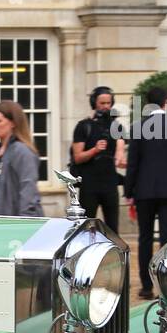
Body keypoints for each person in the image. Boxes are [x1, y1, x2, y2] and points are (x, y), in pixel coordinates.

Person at [125, 85, 167, 300]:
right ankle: (165, 285)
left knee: (144, 238)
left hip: (144, 190)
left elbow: (132, 164)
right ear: (166, 102)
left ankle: (146, 286)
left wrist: (129, 191)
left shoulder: (138, 127)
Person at [71, 86, 126, 232]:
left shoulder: (117, 127)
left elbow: (120, 151)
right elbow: (77, 157)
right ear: (94, 103)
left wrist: (121, 160)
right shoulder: (84, 126)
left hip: (110, 184)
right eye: (102, 103)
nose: (106, 107)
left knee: (113, 228)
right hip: (89, 184)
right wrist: (94, 150)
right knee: (85, 228)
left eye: (108, 103)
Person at [0, 100, 42, 217]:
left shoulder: (23, 152)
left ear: (13, 123)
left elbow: (28, 192)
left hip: (17, 223)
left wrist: (22, 225)